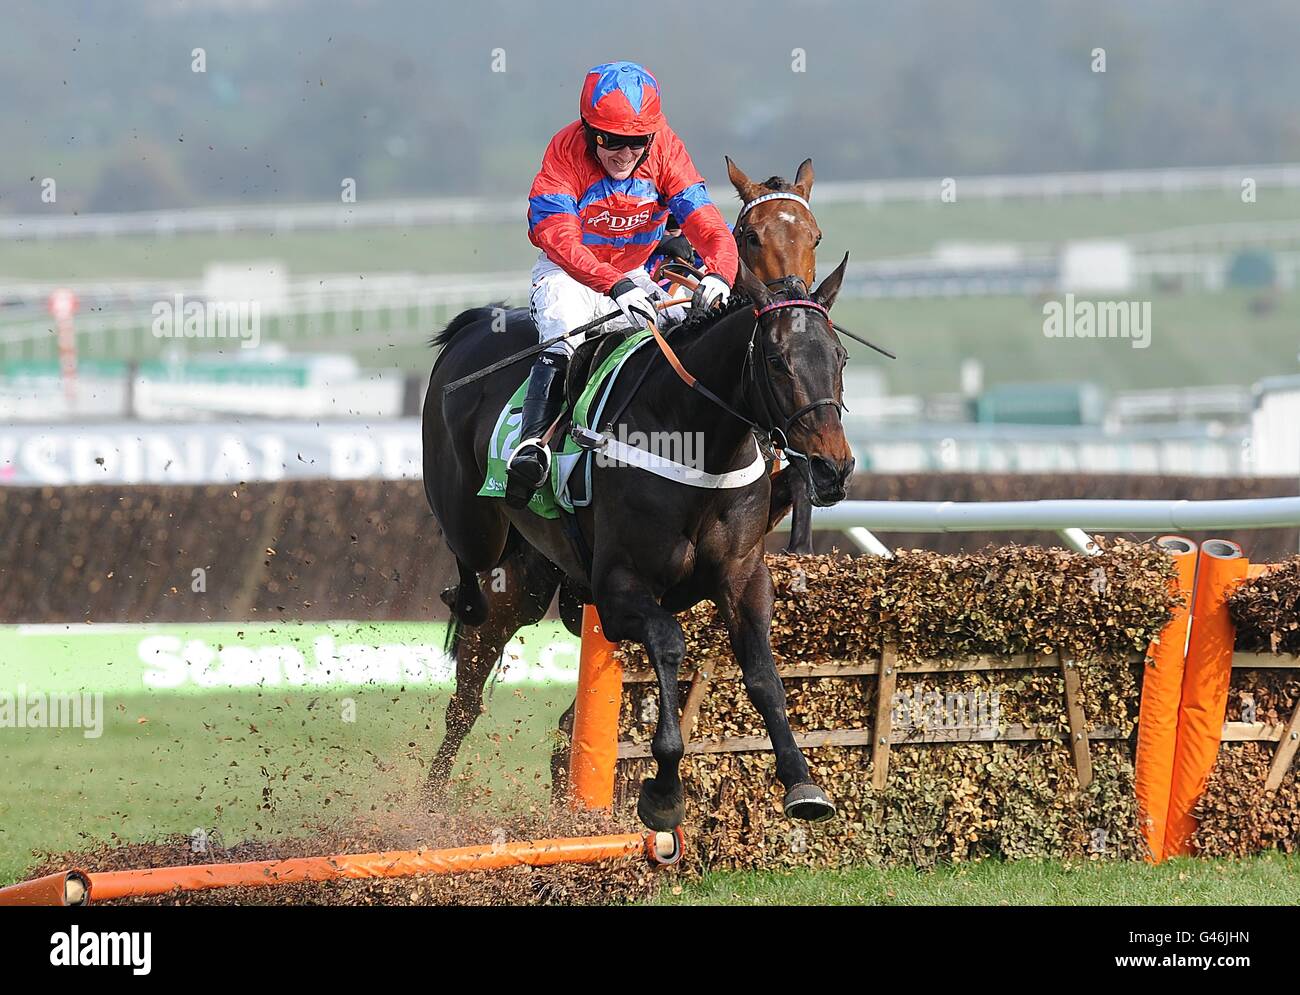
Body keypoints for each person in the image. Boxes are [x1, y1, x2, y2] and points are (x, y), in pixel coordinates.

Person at [506, 61, 739, 508]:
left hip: (635, 275)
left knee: (705, 327)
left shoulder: (667, 151)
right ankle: (533, 445)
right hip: (571, 273)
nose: (623, 153)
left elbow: (710, 229)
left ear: (652, 137)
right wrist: (612, 284)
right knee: (563, 321)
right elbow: (555, 234)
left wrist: (718, 275)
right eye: (610, 140)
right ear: (590, 131)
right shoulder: (565, 151)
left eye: (636, 142)